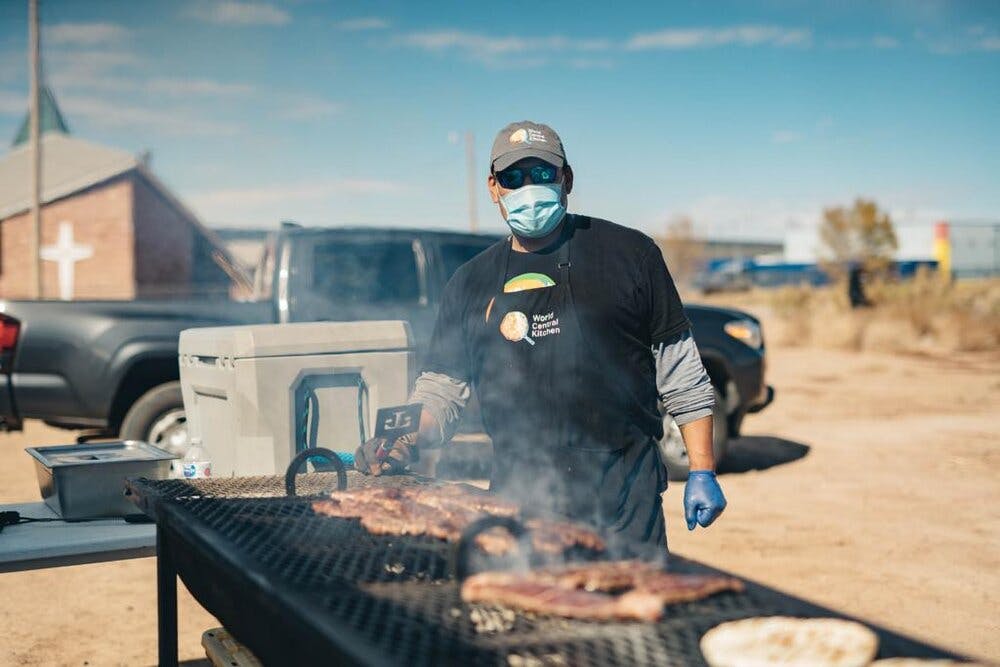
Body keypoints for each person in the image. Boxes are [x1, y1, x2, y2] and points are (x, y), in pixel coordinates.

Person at [356, 121, 726, 557]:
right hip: (519, 495)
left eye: (542, 174)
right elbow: (441, 392)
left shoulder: (631, 254)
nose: (528, 186)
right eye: (513, 177)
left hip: (624, 492)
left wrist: (702, 468)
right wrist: (401, 437)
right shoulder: (470, 282)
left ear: (566, 179)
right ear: (494, 187)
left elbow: (680, 371)